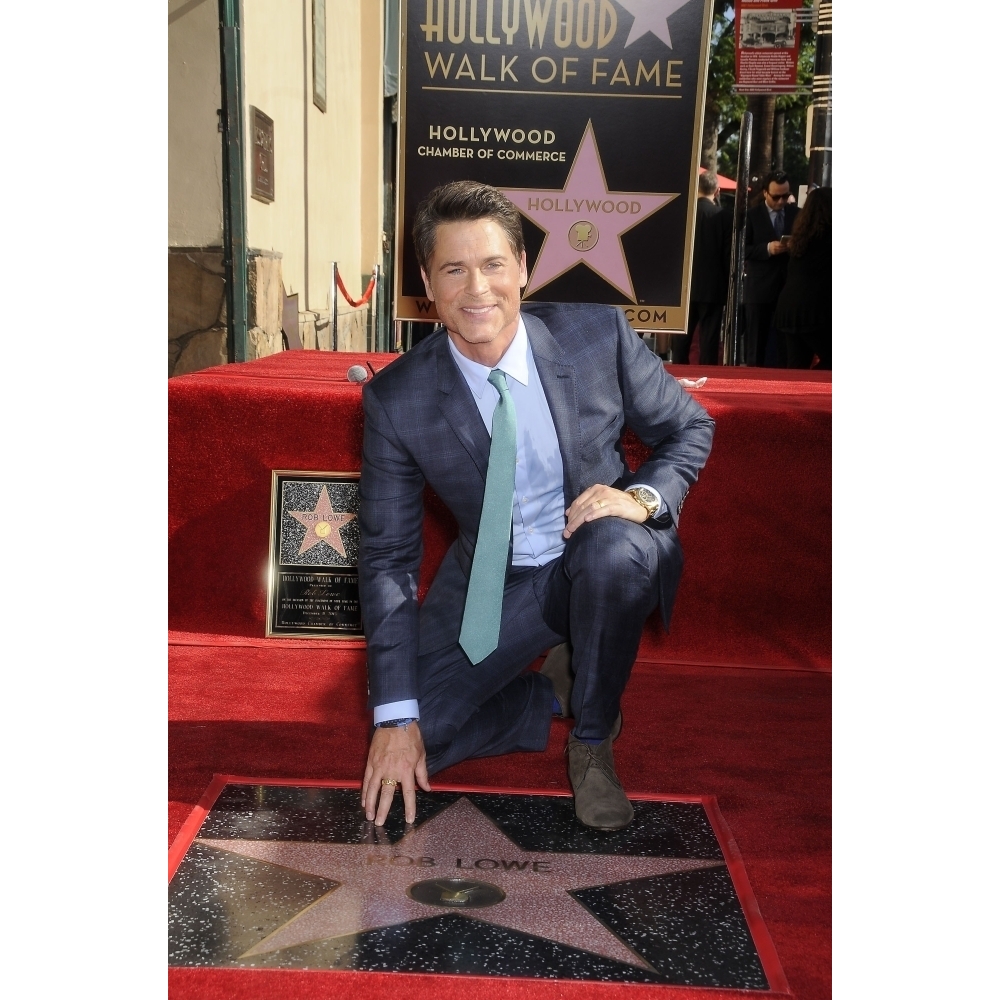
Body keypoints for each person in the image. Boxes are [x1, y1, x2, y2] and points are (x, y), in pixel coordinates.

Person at [358, 181, 715, 832]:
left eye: (494, 265)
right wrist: (397, 720)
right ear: (426, 284)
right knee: (418, 732)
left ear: (523, 267)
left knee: (616, 549)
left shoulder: (592, 332)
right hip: (496, 581)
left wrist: (641, 497)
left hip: (594, 553)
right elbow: (387, 560)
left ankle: (592, 741)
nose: (478, 290)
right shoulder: (397, 400)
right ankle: (550, 691)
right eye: (454, 270)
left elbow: (690, 427)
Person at [743, 169, 800, 366]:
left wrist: (794, 246)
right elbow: (741, 249)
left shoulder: (796, 214)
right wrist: (767, 249)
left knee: (786, 348)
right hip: (759, 289)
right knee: (756, 345)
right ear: (766, 193)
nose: (781, 201)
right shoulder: (751, 215)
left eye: (785, 196)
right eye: (776, 197)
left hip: (787, 289)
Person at [774, 187, 832, 369]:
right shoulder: (829, 237)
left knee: (796, 366)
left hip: (789, 309)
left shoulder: (800, 238)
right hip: (815, 312)